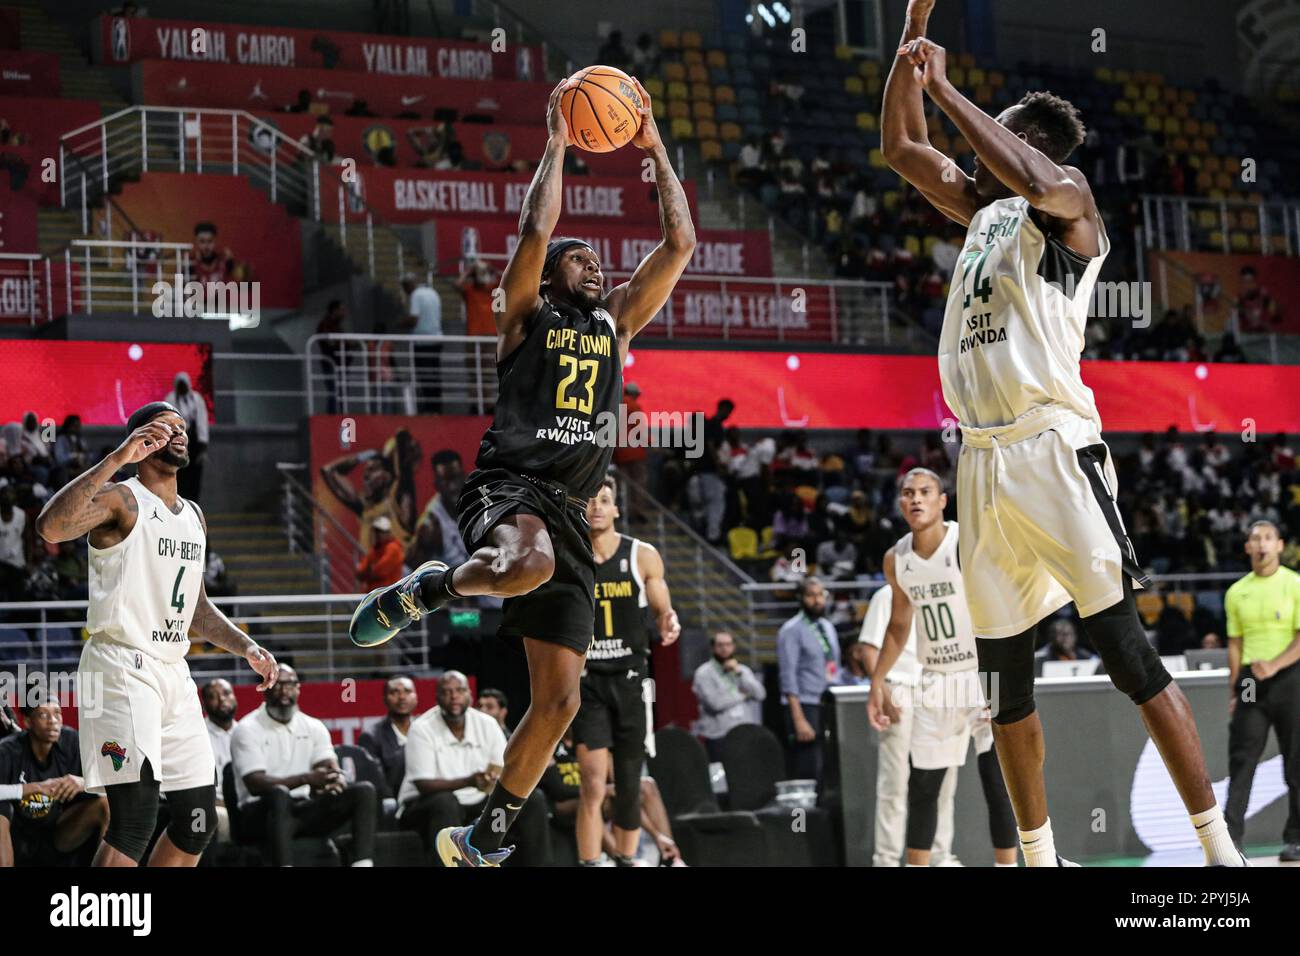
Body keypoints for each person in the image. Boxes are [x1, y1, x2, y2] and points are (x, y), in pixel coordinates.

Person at [882, 0, 1241, 866]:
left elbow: (1021, 169)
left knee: (1126, 652)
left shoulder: (1069, 202)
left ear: (1024, 141)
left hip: (1054, 448)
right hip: (981, 462)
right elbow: (900, 149)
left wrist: (950, 88)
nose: (977, 149)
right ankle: (1039, 860)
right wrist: (910, 34)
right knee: (1005, 682)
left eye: (996, 137)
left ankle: (1219, 852)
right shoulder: (982, 213)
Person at [348, 74, 695, 867]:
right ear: (550, 274)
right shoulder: (523, 314)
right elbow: (536, 228)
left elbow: (680, 246)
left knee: (561, 701)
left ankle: (487, 835)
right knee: (525, 560)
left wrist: (655, 149)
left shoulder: (616, 325)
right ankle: (428, 589)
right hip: (508, 487)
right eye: (581, 260)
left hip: (571, 511)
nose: (596, 268)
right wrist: (557, 142)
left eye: (599, 264)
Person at [35, 401, 279, 867]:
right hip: (121, 665)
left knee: (198, 820)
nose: (178, 432)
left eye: (182, 427)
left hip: (172, 669)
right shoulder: (122, 498)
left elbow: (197, 607)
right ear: (139, 440)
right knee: (134, 819)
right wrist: (117, 458)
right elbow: (51, 526)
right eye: (164, 427)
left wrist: (246, 645)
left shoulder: (194, 515)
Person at [867, 469, 1018, 866]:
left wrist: (1000, 671)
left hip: (982, 672)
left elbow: (1003, 602)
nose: (916, 499)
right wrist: (877, 681)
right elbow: (899, 626)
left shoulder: (965, 542)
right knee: (923, 787)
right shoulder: (896, 559)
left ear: (942, 501)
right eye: (908, 493)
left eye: (925, 492)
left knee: (997, 782)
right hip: (935, 677)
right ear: (900, 503)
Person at [574, 476, 679, 865]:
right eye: (590, 501)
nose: (597, 507)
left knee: (631, 785)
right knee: (593, 783)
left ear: (617, 508)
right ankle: (590, 863)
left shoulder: (642, 555)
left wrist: (668, 619)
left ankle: (627, 859)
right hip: (589, 682)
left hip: (633, 679)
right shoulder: (570, 555)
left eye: (604, 500)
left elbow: (661, 604)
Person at [396, 672, 549, 864]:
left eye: (459, 690)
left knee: (533, 799)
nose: (454, 696)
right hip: (423, 805)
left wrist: (491, 780)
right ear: (437, 697)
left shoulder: (487, 723)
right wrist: (469, 781)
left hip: (478, 800)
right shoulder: (421, 727)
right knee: (445, 802)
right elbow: (423, 785)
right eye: (447, 692)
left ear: (470, 694)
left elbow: (503, 769)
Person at [230, 665, 376, 867]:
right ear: (264, 688)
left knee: (363, 791)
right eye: (277, 684)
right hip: (258, 814)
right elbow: (255, 783)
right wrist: (307, 778)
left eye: (290, 684)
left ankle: (362, 864)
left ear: (298, 689)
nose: (284, 690)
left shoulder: (313, 726)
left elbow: (328, 764)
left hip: (300, 810)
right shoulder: (247, 729)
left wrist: (335, 779)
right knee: (279, 794)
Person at [859, 582, 961, 867]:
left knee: (942, 781)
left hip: (939, 689)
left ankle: (940, 855)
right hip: (901, 688)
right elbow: (868, 648)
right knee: (895, 781)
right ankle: (887, 859)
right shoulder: (886, 595)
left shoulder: (943, 591)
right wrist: (881, 688)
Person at [1223, 520, 1300, 861]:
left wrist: (1276, 664)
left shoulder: (1295, 584)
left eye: (1268, 537)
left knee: (1296, 760)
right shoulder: (1236, 592)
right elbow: (1235, 645)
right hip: (1252, 683)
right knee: (1243, 758)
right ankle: (1230, 841)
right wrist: (1235, 690)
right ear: (1247, 548)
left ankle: (1295, 838)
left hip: (1289, 679)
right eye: (1255, 538)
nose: (1262, 544)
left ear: (1280, 545)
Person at [0, 697, 108, 867]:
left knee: (105, 804)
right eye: (44, 714)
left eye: (57, 713)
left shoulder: (71, 740)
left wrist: (83, 782)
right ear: (28, 722)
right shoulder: (8, 750)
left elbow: (116, 785)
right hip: (16, 837)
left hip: (59, 833)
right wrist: (29, 789)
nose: (53, 721)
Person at [776, 576, 839, 781]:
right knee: (810, 766)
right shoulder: (791, 630)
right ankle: (806, 813)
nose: (817, 600)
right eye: (811, 595)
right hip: (804, 704)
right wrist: (799, 719)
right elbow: (787, 674)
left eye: (820, 595)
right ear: (801, 598)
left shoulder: (828, 627)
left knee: (829, 765)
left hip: (827, 702)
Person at [319, 427, 419, 553]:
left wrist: (398, 444)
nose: (366, 476)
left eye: (373, 470)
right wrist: (365, 455)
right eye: (366, 471)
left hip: (400, 571)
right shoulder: (365, 508)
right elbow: (329, 471)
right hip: (373, 570)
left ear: (387, 476)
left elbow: (403, 463)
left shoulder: (399, 500)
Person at [692, 630, 766, 762]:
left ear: (733, 647)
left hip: (744, 733)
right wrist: (742, 696)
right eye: (720, 645)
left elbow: (760, 694)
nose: (724, 648)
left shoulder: (742, 670)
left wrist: (739, 674)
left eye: (728, 644)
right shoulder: (704, 673)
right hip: (719, 736)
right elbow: (715, 703)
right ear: (713, 648)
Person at [406, 449, 469, 570]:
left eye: (456, 478)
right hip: (451, 585)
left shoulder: (478, 503)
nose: (452, 487)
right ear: (437, 484)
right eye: (446, 481)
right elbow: (410, 572)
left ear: (465, 477)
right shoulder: (430, 525)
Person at [358, 676, 418, 796]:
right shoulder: (370, 737)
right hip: (394, 799)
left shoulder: (426, 730)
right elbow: (376, 782)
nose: (402, 697)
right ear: (385, 699)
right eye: (394, 692)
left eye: (407, 691)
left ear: (416, 697)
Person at [400, 274, 443, 413]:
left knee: (424, 375)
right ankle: (437, 406)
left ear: (407, 286)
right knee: (435, 374)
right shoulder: (433, 292)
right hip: (437, 339)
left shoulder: (416, 296)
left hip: (422, 341)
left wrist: (399, 324)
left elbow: (414, 319)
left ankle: (430, 407)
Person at [164, 371, 209, 503]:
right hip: (176, 440)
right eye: (180, 385)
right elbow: (167, 419)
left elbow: (202, 422)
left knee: (194, 475)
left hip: (194, 443)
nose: (182, 388)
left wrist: (203, 447)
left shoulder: (196, 399)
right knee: (179, 474)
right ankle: (178, 501)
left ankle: (193, 503)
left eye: (184, 385)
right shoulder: (170, 399)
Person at [201, 678, 237, 842]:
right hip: (211, 805)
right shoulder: (197, 734)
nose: (222, 699)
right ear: (204, 704)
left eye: (226, 693)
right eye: (213, 696)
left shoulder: (247, 732)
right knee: (209, 817)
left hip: (244, 805)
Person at [613, 382, 649, 522]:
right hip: (635, 452)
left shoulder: (616, 404)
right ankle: (637, 511)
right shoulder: (633, 406)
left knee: (622, 484)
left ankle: (621, 509)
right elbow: (639, 429)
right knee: (638, 483)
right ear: (634, 394)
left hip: (618, 452)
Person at [356, 515, 405, 592]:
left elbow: (379, 571)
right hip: (374, 596)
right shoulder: (374, 550)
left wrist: (369, 572)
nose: (378, 534)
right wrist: (368, 572)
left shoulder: (394, 548)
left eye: (382, 531)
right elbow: (359, 573)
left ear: (388, 533)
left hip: (389, 595)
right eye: (376, 531)